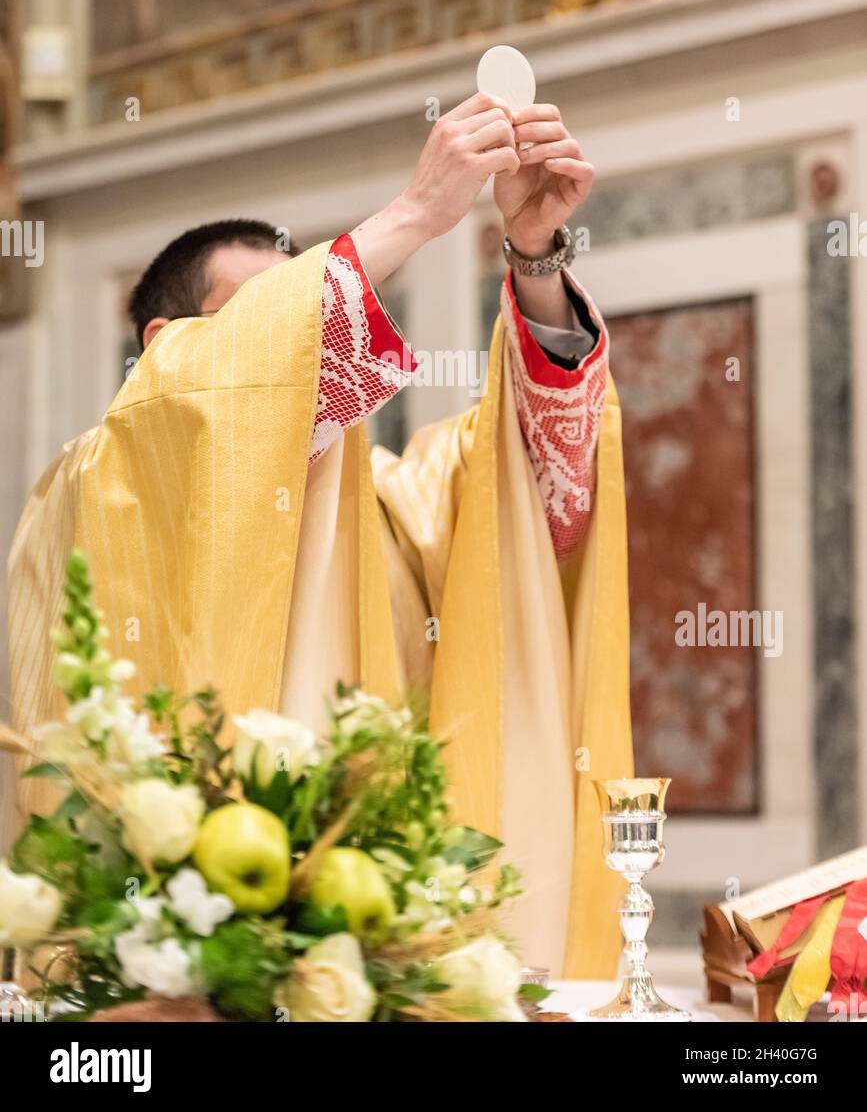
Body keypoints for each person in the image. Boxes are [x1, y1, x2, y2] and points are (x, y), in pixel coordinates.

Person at [8, 94, 632, 977]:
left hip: (381, 945)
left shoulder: (385, 498)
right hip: (185, 957)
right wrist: (417, 212)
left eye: (307, 308)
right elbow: (199, 402)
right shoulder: (105, 475)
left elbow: (538, 504)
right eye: (274, 316)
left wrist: (534, 256)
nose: (304, 340)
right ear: (165, 345)